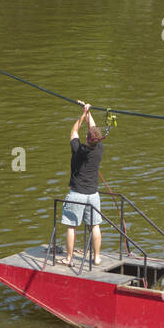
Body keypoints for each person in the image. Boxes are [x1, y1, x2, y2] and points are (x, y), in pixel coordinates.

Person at [56, 102, 105, 266]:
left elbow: (73, 131)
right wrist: (89, 112)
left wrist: (82, 115)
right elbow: (94, 129)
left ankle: (69, 259)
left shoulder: (77, 149)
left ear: (86, 138)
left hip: (77, 193)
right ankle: (97, 258)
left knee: (71, 227)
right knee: (95, 226)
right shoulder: (100, 150)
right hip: (93, 194)